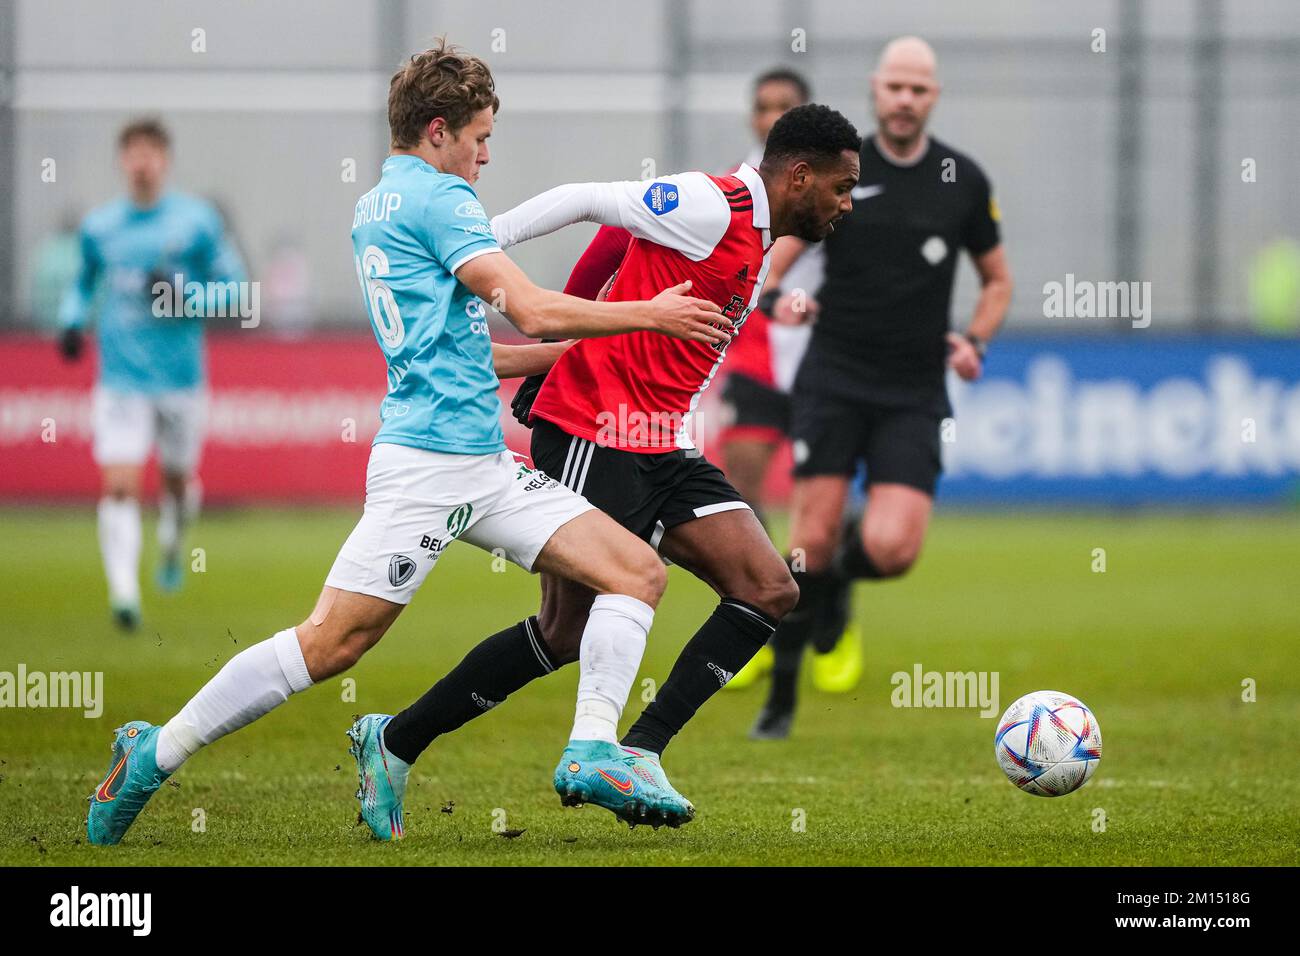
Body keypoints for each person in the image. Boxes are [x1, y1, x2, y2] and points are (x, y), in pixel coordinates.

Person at [83, 39, 730, 846]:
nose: (487, 154)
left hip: (483, 468)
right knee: (332, 643)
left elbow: (474, 351)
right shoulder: (443, 201)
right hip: (427, 470)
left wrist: (582, 352)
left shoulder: (378, 204)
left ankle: (594, 749)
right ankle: (154, 750)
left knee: (634, 572)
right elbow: (527, 307)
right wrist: (649, 313)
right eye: (480, 136)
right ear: (437, 130)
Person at [350, 103, 862, 836]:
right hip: (594, 429)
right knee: (564, 630)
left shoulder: (758, 237)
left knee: (768, 587)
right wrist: (481, 249)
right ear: (800, 175)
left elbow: (620, 241)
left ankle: (638, 750)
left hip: (663, 444)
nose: (845, 205)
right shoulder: (711, 203)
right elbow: (587, 201)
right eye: (841, 188)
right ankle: (400, 740)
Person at [750, 36, 1014, 739]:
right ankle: (779, 703)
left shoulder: (965, 179)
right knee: (808, 540)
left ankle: (835, 587)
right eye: (894, 87)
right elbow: (775, 262)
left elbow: (997, 281)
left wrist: (976, 340)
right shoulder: (840, 170)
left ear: (934, 96)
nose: (904, 100)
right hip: (834, 376)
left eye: (918, 89)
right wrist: (781, 301)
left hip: (913, 386)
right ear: (876, 89)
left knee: (894, 549)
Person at [57, 119, 246, 628]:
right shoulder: (101, 227)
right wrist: (72, 321)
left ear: (165, 160)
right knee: (119, 484)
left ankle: (170, 545)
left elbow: (235, 289)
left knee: (177, 485)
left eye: (151, 153)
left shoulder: (196, 222)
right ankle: (124, 594)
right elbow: (82, 283)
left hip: (181, 378)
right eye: (133, 153)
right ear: (123, 161)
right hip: (120, 379)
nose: (142, 163)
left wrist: (187, 296)